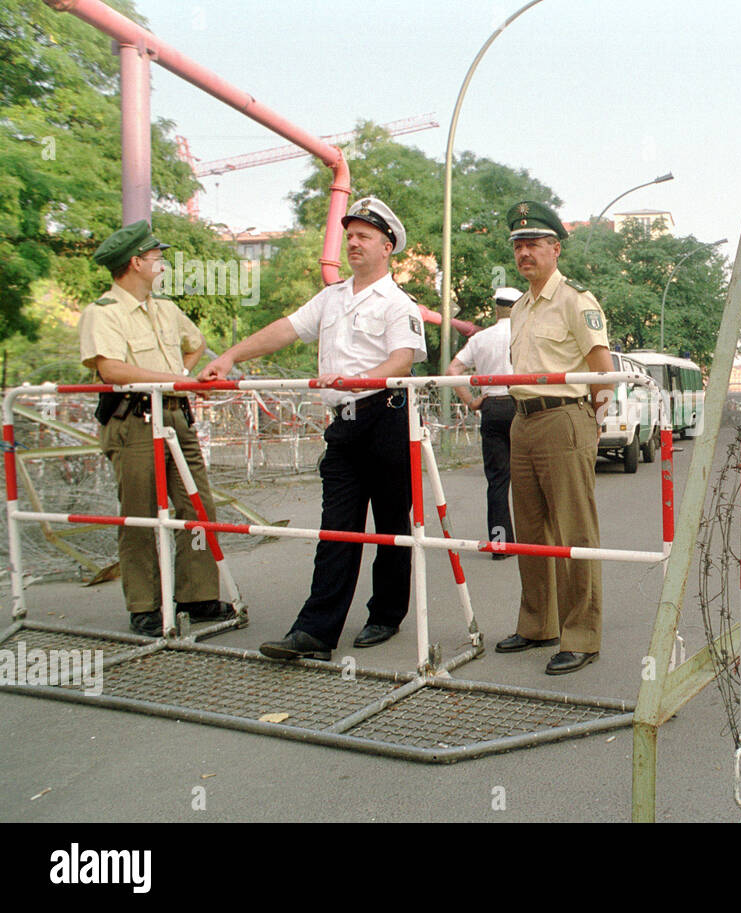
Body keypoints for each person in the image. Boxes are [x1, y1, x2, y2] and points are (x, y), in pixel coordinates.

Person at [199, 197, 426, 661]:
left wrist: (355, 380)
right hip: (343, 426)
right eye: (351, 235)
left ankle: (385, 614)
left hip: (385, 416)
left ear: (387, 247)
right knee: (336, 529)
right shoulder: (333, 296)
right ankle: (315, 632)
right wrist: (230, 357)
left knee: (391, 525)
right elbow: (286, 329)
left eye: (364, 236)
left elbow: (401, 360)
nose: (354, 243)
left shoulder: (399, 304)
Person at [78, 220, 236, 637]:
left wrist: (182, 374)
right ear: (135, 263)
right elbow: (110, 368)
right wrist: (174, 380)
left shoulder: (165, 309)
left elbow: (195, 341)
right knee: (142, 515)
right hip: (134, 420)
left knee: (196, 508)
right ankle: (145, 605)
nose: (161, 265)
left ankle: (197, 594)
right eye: (155, 258)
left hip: (176, 416)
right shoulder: (103, 313)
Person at [494, 201, 614, 675]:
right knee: (531, 529)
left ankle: (581, 633)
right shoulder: (520, 305)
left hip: (564, 415)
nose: (525, 253)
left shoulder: (575, 300)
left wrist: (593, 421)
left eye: (534, 245)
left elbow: (602, 368)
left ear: (555, 249)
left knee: (574, 531)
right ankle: (537, 623)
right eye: (518, 246)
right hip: (522, 418)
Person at [447, 286, 522, 556]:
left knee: (498, 480)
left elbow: (453, 370)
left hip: (491, 408)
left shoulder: (481, 338)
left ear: (496, 308)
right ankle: (532, 540)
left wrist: (471, 400)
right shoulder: (524, 334)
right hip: (520, 406)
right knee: (528, 478)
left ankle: (500, 544)